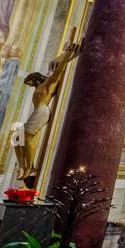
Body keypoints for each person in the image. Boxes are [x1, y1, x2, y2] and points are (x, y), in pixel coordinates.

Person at [12, 38, 80, 184]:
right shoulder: (38, 87)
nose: (29, 85)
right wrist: (64, 53)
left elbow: (59, 70)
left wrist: (68, 55)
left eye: (29, 82)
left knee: (27, 138)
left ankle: (31, 167)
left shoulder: (48, 84)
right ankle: (22, 166)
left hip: (42, 111)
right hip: (37, 111)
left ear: (34, 79)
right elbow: (52, 66)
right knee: (17, 138)